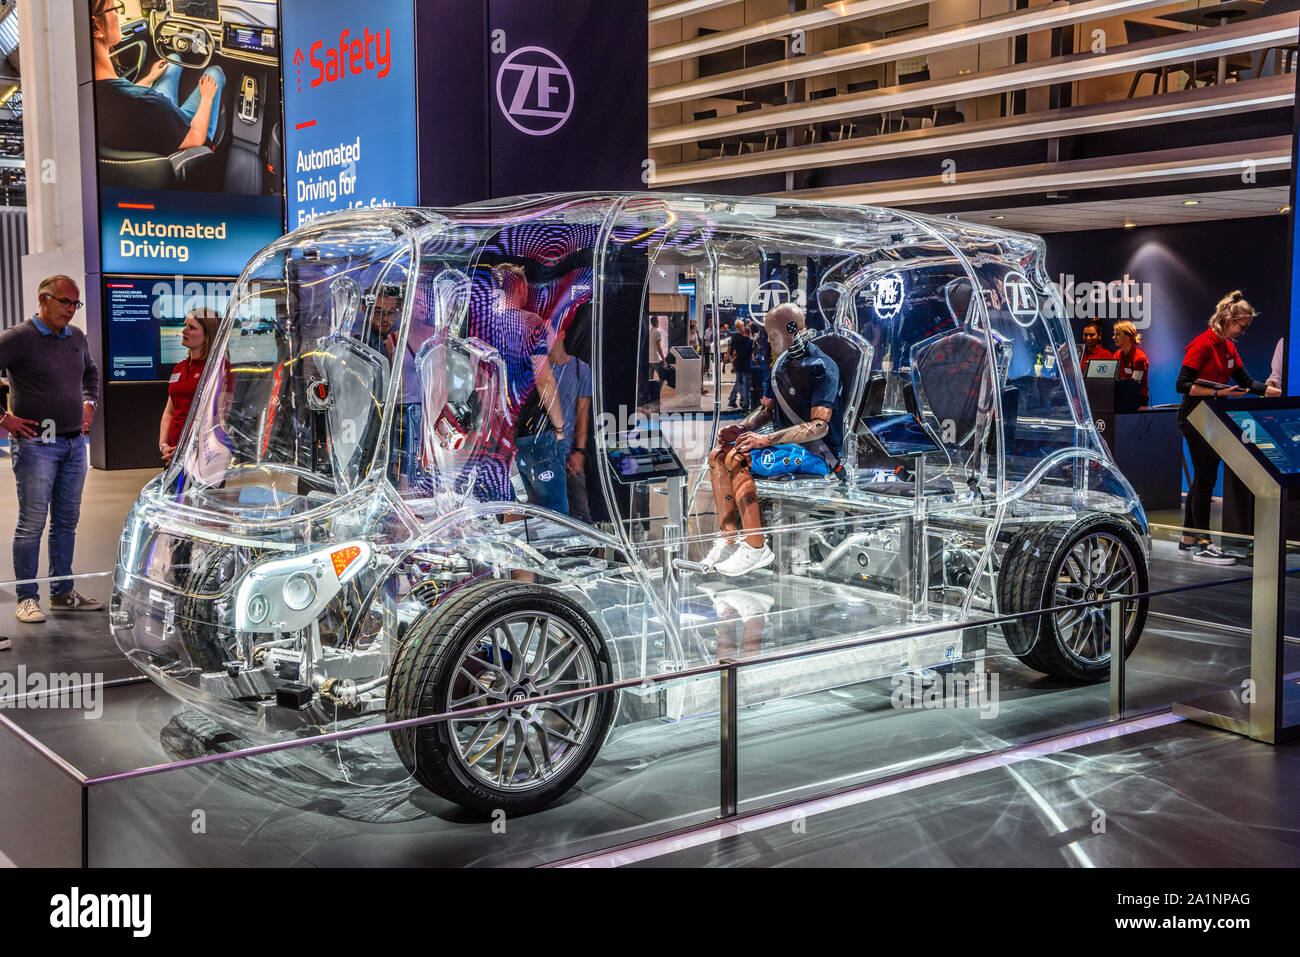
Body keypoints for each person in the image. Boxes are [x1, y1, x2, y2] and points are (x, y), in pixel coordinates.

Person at [704, 303, 843, 578]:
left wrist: (766, 440)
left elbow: (819, 426)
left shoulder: (822, 367)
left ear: (792, 330)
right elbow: (767, 409)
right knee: (718, 455)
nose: (767, 340)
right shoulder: (780, 365)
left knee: (737, 458)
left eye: (771, 334)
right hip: (781, 445)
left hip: (815, 453)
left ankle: (756, 546)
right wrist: (741, 428)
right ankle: (729, 539)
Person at [0, 275, 102, 625]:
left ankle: (62, 592)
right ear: (43, 299)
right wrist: (4, 419)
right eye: (65, 302)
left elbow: (91, 372)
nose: (71, 310)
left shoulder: (76, 337)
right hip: (35, 445)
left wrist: (89, 402)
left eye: (75, 304)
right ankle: (28, 597)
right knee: (32, 524)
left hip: (75, 443)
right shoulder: (17, 338)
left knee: (66, 523)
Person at [1175, 290, 1280, 565]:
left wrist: (1270, 392)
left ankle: (1188, 537)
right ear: (1228, 319)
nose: (1243, 332)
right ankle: (1204, 542)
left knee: (1204, 476)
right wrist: (1219, 394)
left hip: (1212, 418)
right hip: (1194, 416)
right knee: (1206, 476)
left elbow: (1246, 382)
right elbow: (1182, 385)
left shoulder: (1229, 347)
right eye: (1241, 327)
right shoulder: (1202, 344)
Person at [91, 0, 226, 157]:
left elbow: (123, 96)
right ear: (97, 27)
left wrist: (149, 78)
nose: (117, 14)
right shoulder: (150, 102)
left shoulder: (89, 94)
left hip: (152, 125)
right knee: (215, 72)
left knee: (173, 59)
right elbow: (196, 138)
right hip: (185, 134)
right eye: (115, 8)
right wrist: (207, 98)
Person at [158, 307, 227, 465]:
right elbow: (170, 412)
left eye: (192, 327)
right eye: (185, 325)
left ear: (207, 335)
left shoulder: (220, 369)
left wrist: (190, 447)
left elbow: (221, 418)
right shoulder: (179, 368)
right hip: (174, 454)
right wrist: (163, 445)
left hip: (206, 457)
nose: (183, 331)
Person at [548, 319, 593, 523]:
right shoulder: (539, 370)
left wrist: (579, 451)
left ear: (562, 334)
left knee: (579, 514)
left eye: (549, 333)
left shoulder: (580, 369)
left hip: (567, 456)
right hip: (542, 454)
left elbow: (583, 413)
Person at [1111, 319, 1150, 407]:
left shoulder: (1139, 357)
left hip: (1138, 398)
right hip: (1121, 396)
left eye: (1117, 334)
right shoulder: (1117, 355)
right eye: (1114, 334)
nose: (1113, 337)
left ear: (1128, 336)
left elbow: (1133, 386)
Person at [727, 320, 753, 412]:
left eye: (743, 325)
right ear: (738, 327)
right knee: (743, 384)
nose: (743, 327)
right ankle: (743, 402)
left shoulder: (736, 338)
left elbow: (733, 351)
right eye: (741, 325)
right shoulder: (738, 338)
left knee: (739, 382)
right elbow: (732, 351)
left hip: (739, 363)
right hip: (743, 364)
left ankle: (733, 399)